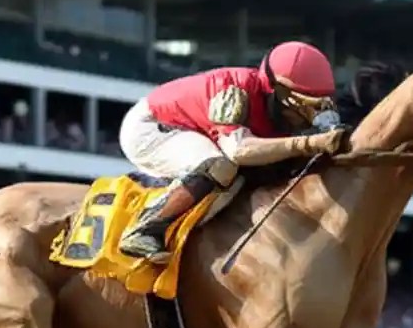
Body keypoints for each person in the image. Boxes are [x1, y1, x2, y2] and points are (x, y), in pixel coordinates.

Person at [117, 41, 351, 264]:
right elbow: (239, 151)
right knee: (219, 166)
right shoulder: (234, 93)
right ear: (278, 93)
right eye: (305, 106)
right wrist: (308, 143)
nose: (310, 116)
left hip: (198, 128)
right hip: (152, 127)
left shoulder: (279, 101)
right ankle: (145, 229)